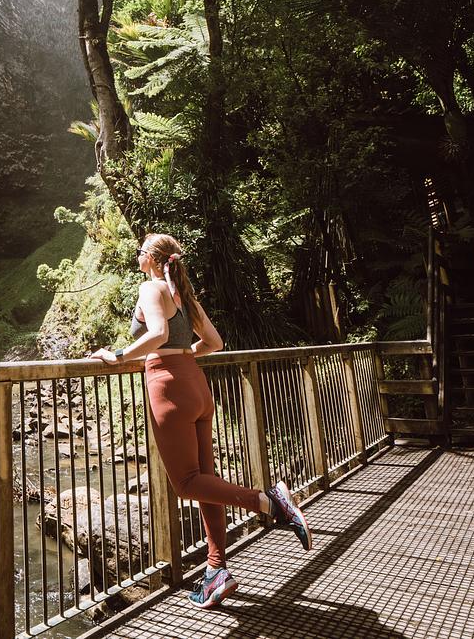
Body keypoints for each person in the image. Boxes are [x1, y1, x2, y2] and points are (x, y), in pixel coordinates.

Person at [90, 233, 312, 609]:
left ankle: (269, 501)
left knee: (187, 483)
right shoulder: (184, 295)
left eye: (141, 250)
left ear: (155, 259)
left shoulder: (151, 288)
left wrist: (118, 354)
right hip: (196, 385)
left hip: (168, 387)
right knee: (205, 481)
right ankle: (216, 571)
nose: (137, 255)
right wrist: (181, 353)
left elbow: (158, 333)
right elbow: (213, 343)